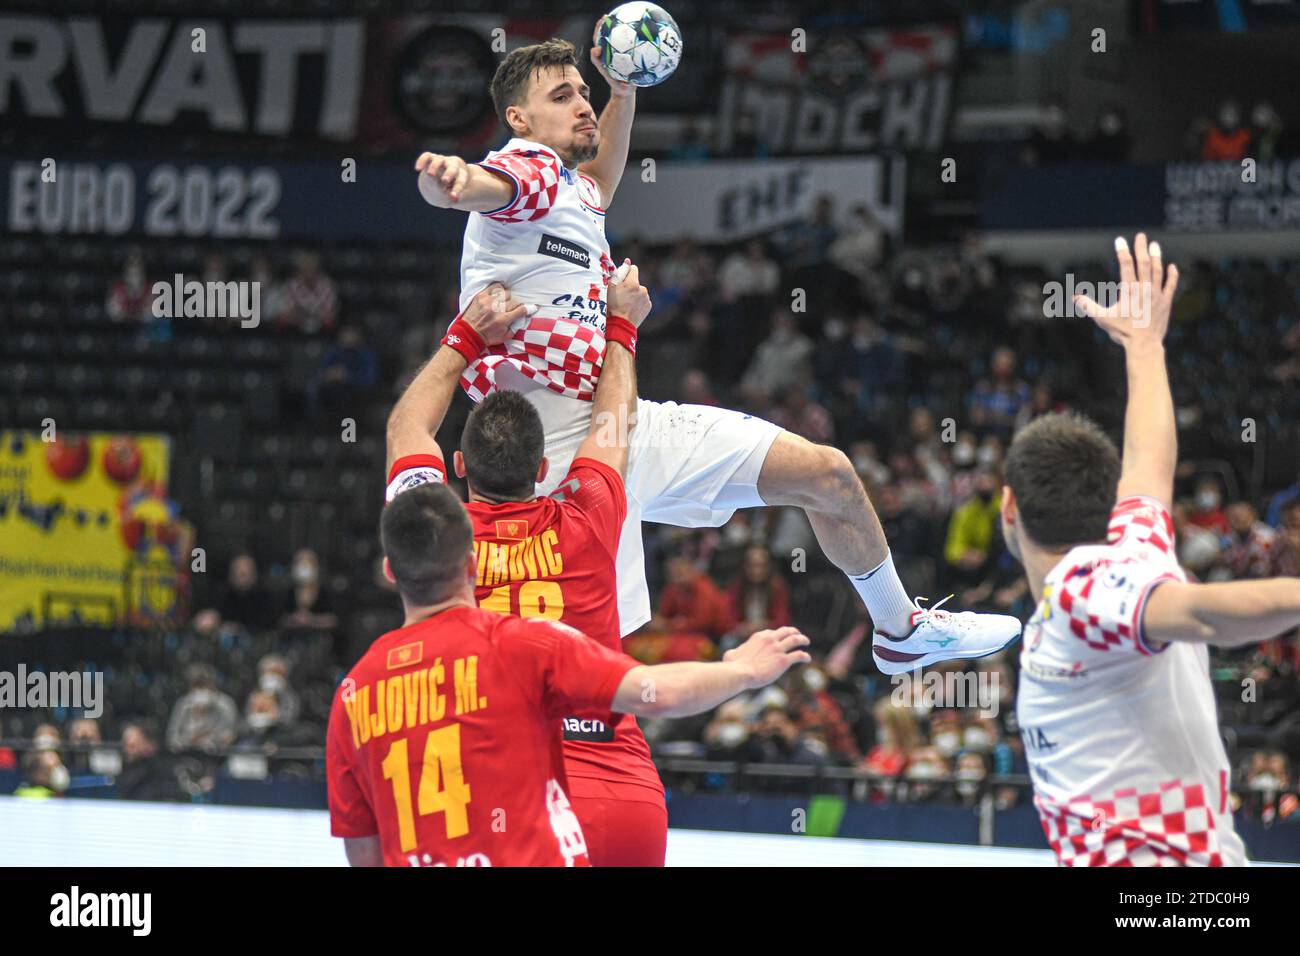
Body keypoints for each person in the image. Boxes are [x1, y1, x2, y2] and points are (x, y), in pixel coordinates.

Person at [413, 37, 1020, 673]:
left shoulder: (571, 192)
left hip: (624, 420)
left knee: (830, 475)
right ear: (519, 119)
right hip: (557, 458)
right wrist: (448, 181)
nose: (582, 106)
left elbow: (600, 181)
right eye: (562, 97)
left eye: (583, 93)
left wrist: (622, 92)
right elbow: (479, 186)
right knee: (578, 673)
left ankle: (899, 630)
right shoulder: (525, 170)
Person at [1003, 234, 1300, 866]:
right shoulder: (1133, 543)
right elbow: (1148, 459)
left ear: (1009, 508)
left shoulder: (1078, 594)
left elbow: (1200, 614)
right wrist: (1143, 346)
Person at [326, 482, 811, 867]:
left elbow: (364, 853)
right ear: (472, 564)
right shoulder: (516, 642)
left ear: (390, 571)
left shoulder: (353, 693)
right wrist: (739, 670)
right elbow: (654, 693)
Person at [380, 265, 675, 864]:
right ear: (545, 471)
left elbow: (406, 425)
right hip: (620, 798)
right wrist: (621, 326)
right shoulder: (588, 515)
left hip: (503, 798)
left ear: (459, 465)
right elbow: (614, 422)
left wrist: (467, 334)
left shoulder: (437, 535)